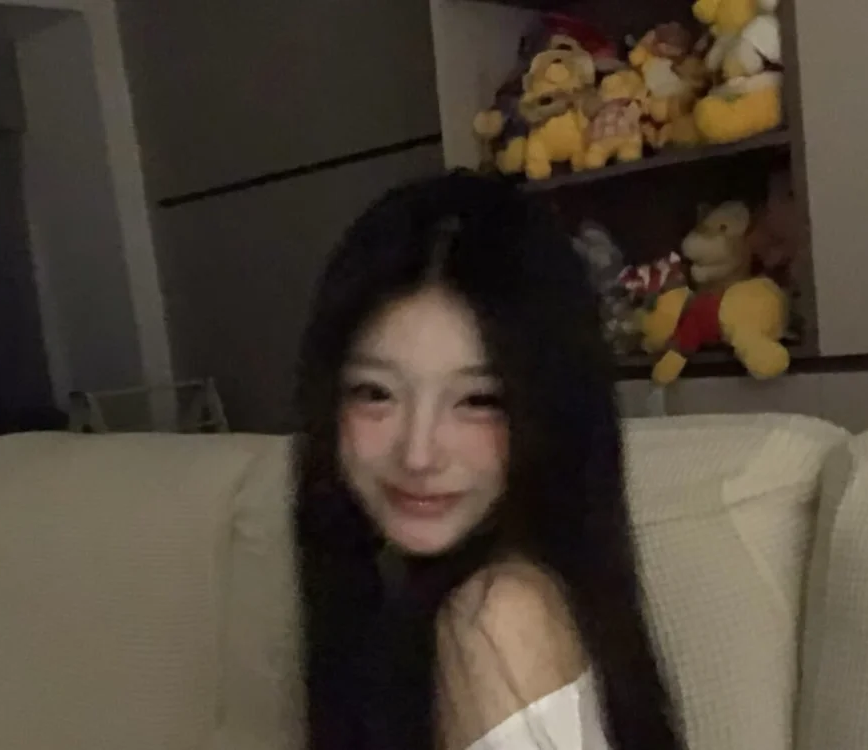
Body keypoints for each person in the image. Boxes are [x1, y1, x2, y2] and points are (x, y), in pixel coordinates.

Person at [293, 170, 683, 750]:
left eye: (479, 400)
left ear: (550, 409)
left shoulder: (496, 618)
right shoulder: (420, 590)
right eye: (375, 393)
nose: (418, 453)